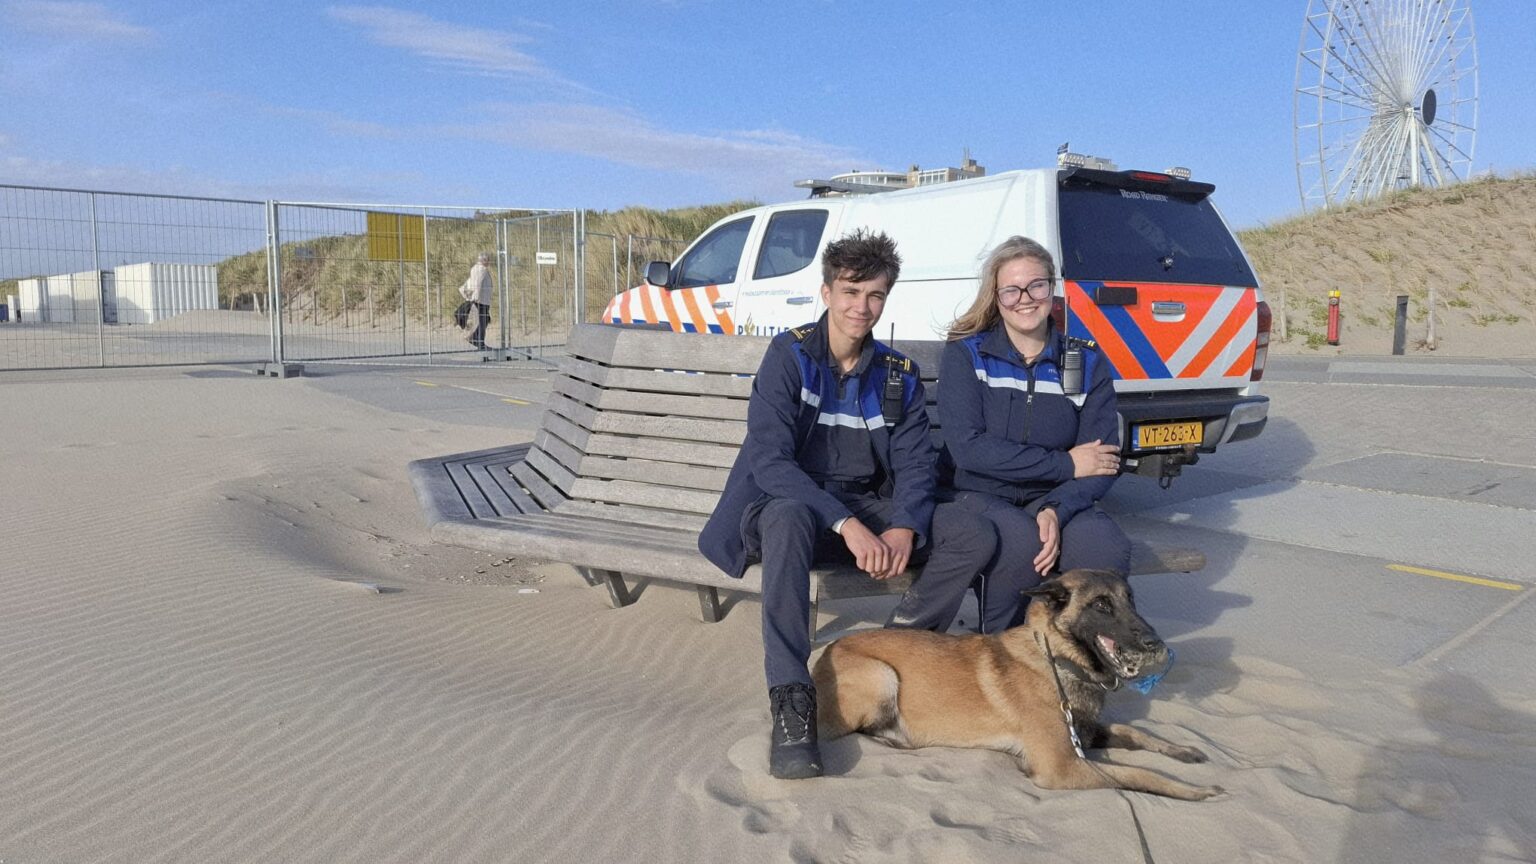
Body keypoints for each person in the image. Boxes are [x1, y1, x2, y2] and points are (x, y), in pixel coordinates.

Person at [699, 229, 996, 781]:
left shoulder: (896, 375)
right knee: (787, 518)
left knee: (974, 532)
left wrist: (904, 526)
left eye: (875, 295)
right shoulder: (789, 356)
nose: (862, 307)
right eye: (851, 291)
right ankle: (792, 700)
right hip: (792, 504)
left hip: (866, 506)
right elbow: (771, 462)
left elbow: (915, 466)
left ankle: (899, 639)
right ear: (827, 292)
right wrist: (846, 524)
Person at [937, 235, 1130, 635]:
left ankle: (1095, 654)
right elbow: (969, 449)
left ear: (1052, 288)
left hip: (1055, 495)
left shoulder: (1086, 361)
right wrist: (1065, 463)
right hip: (982, 494)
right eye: (1011, 290)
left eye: (1036, 285)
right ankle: (1003, 650)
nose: (1025, 298)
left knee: (1103, 547)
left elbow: (1102, 460)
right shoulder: (967, 355)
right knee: (1023, 543)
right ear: (996, 296)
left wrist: (1057, 509)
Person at [461, 252, 494, 349]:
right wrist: (476, 298)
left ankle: (476, 339)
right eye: (488, 260)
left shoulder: (474, 268)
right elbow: (478, 284)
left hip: (479, 299)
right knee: (483, 321)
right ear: (484, 261)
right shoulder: (482, 270)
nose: (489, 262)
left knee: (484, 320)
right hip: (482, 300)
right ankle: (479, 342)